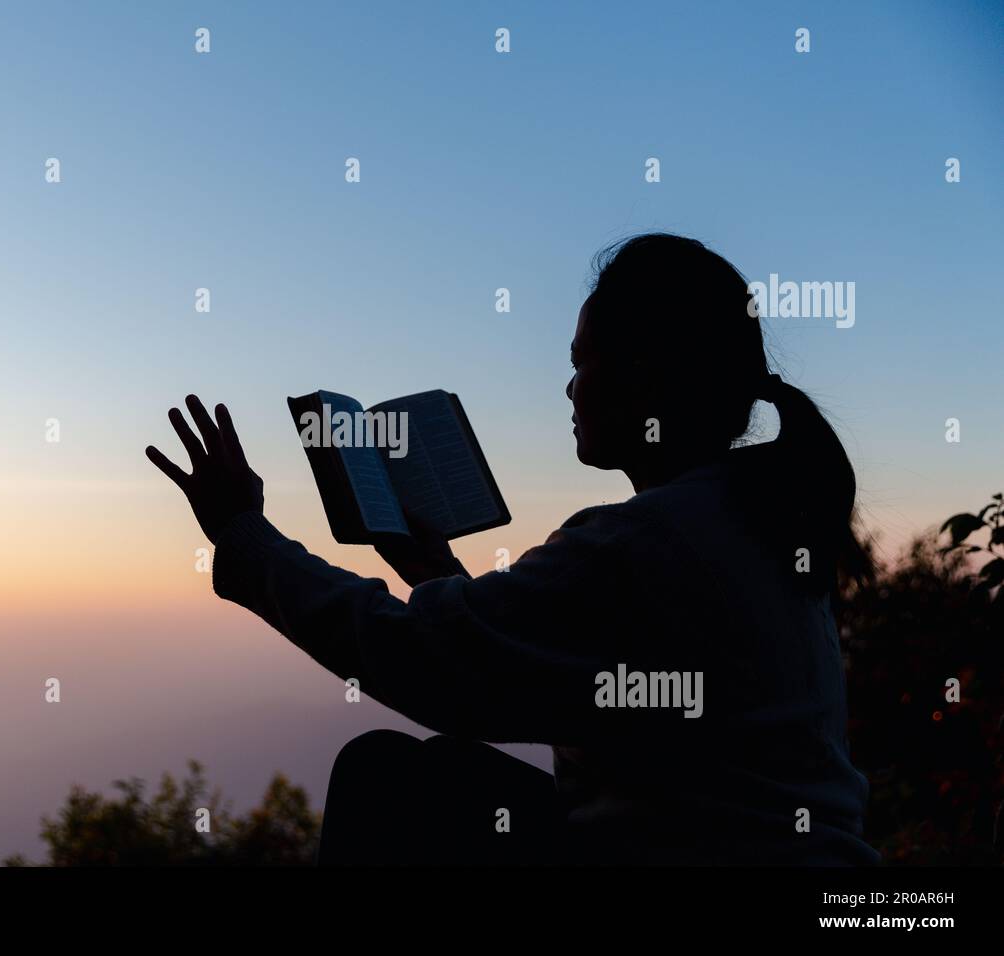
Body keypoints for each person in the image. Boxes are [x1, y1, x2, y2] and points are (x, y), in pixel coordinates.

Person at [145, 233, 880, 866]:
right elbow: (559, 664)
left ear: (641, 375)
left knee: (384, 776)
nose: (567, 388)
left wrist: (242, 532)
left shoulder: (641, 542)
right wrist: (438, 576)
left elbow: (418, 661)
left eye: (581, 361)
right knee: (430, 777)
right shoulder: (751, 520)